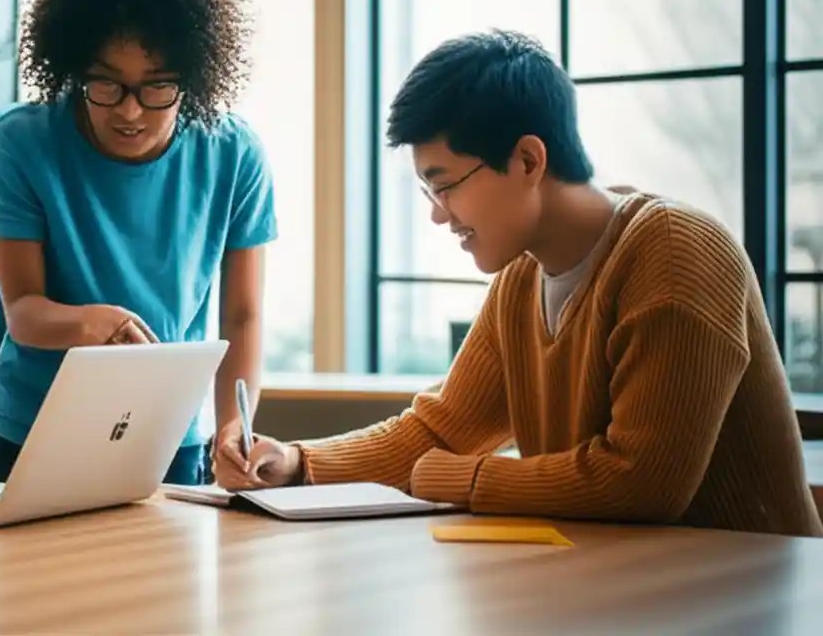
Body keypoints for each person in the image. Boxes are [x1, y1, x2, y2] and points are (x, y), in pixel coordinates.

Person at [215, 30, 823, 537]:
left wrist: (459, 477)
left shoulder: (675, 251)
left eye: (445, 184)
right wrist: (298, 463)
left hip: (746, 594)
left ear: (529, 160)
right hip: (618, 589)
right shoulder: (520, 278)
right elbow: (444, 429)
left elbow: (641, 481)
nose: (437, 212)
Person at [0, 0, 276, 485]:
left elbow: (242, 316)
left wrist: (234, 421)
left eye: (157, 87)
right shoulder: (20, 142)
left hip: (167, 429)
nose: (132, 111)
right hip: (35, 425)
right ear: (74, 71)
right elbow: (23, 311)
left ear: (193, 79)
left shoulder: (234, 153)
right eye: (107, 85)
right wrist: (97, 324)